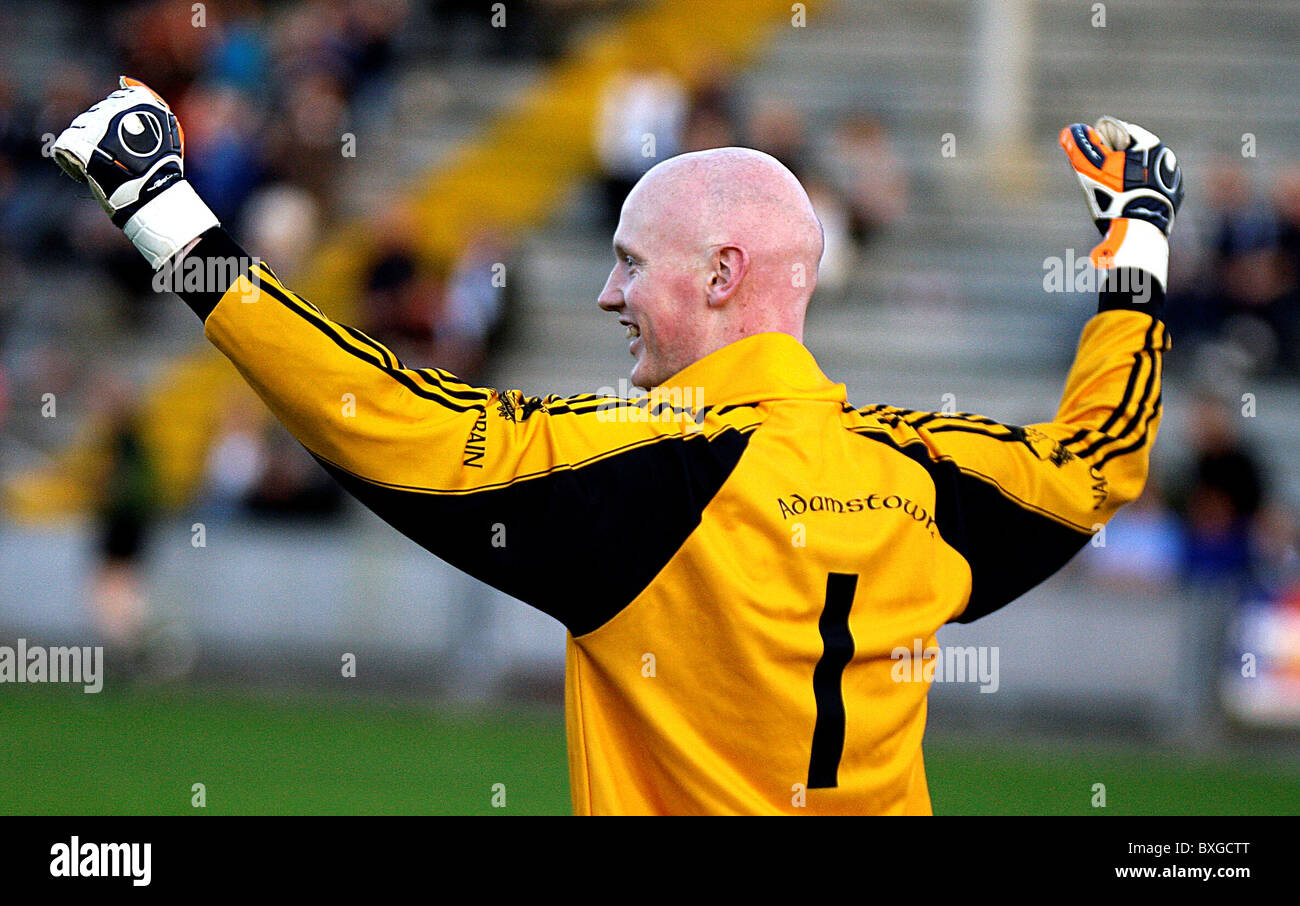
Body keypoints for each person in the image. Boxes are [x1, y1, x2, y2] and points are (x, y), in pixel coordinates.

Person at [51, 79, 1183, 815]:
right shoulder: (922, 473)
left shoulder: (654, 478)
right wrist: (1136, 244)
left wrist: (162, 212)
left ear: (722, 275)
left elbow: (384, 416)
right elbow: (1097, 460)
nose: (605, 294)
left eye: (631, 263)